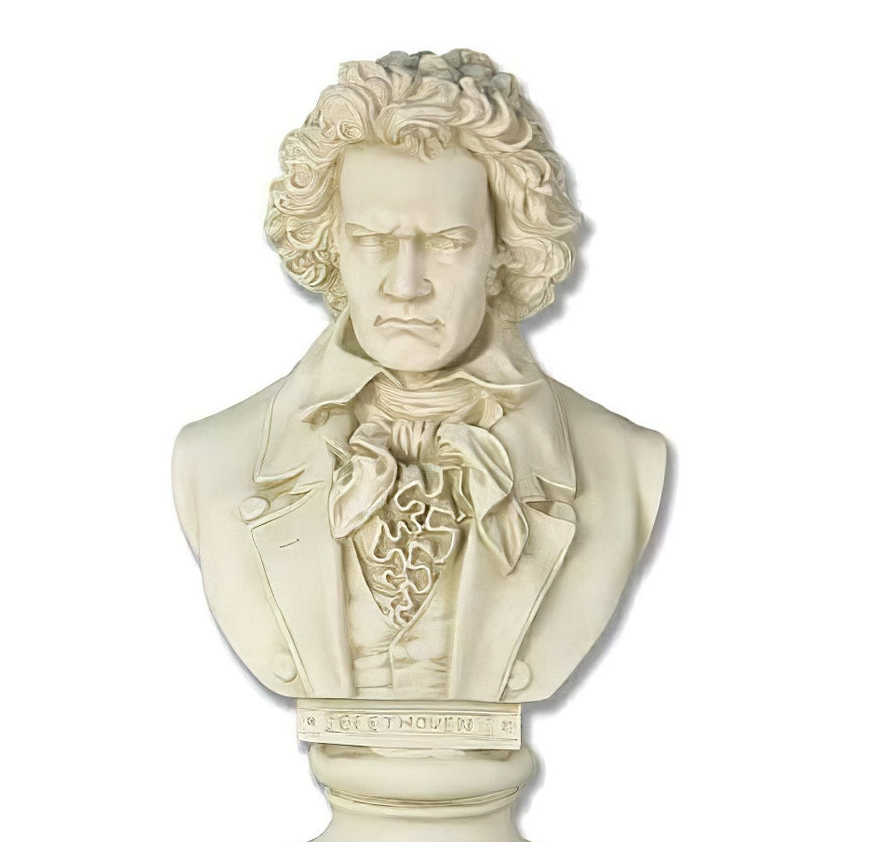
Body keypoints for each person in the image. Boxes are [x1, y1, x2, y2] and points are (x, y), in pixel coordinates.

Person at [172, 50, 666, 703]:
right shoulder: (212, 459)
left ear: (503, 249)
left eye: (447, 242)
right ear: (330, 241)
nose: (405, 286)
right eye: (372, 240)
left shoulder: (624, 463)